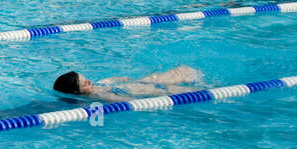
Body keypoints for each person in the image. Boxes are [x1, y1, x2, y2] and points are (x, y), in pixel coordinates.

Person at [52, 66, 203, 102]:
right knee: (199, 92)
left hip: (143, 82)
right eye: (86, 83)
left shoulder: (95, 88)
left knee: (185, 70)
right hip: (149, 90)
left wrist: (119, 79)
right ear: (76, 93)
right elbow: (128, 100)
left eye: (88, 79)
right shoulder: (100, 96)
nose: (90, 82)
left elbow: (107, 81)